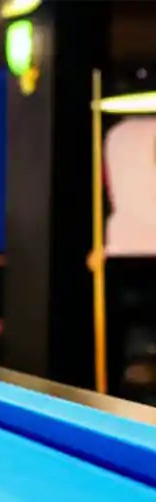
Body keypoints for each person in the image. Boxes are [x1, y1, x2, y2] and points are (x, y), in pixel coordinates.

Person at [90, 117, 156, 403]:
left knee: (126, 356)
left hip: (119, 256)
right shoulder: (120, 133)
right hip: (124, 257)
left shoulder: (118, 132)